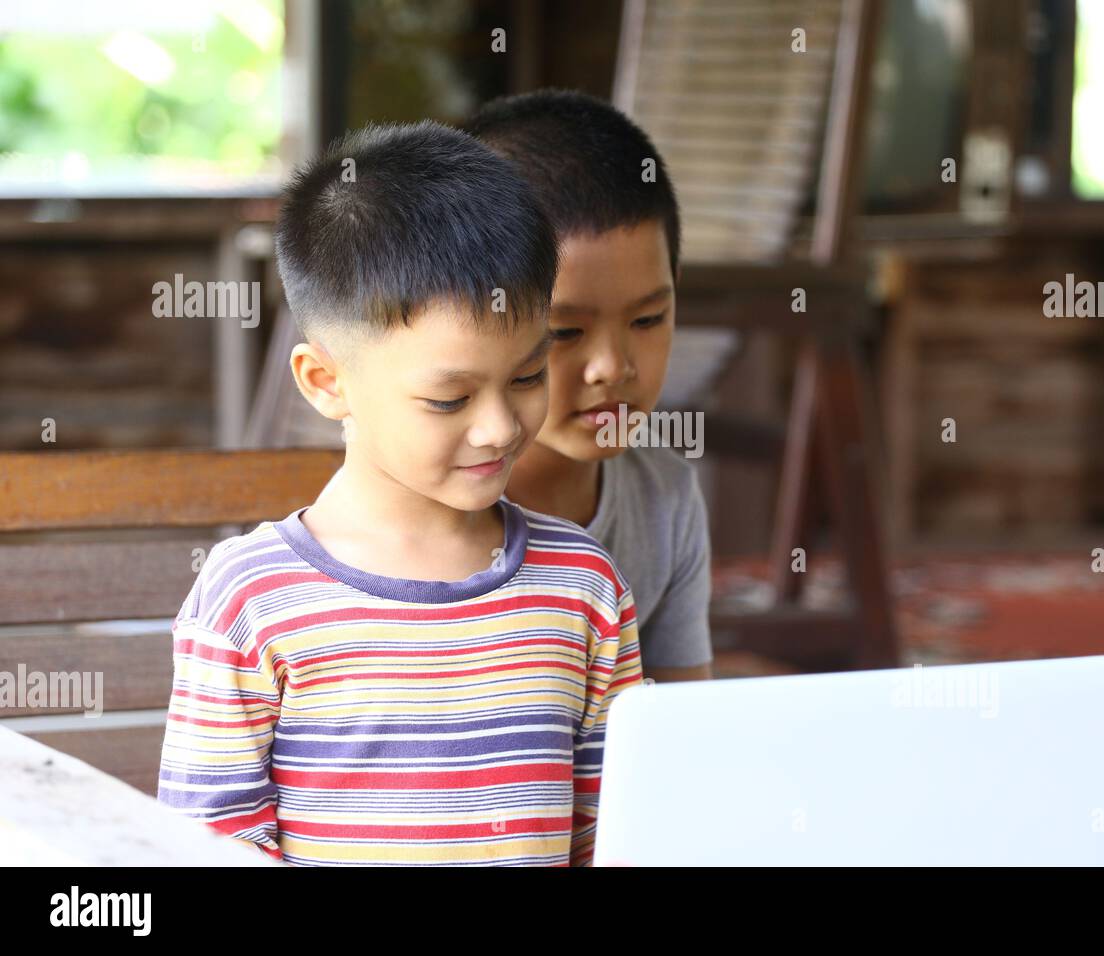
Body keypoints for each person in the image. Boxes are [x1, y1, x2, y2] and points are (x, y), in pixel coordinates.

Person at [156, 121, 642, 866]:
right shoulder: (250, 600)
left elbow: (616, 833)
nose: (499, 427)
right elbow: (208, 849)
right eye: (449, 400)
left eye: (526, 376)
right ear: (326, 382)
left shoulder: (584, 586)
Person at [467, 90, 713, 683]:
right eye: (566, 330)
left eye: (648, 319)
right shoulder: (418, 511)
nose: (611, 367)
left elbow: (683, 726)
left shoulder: (665, 499)